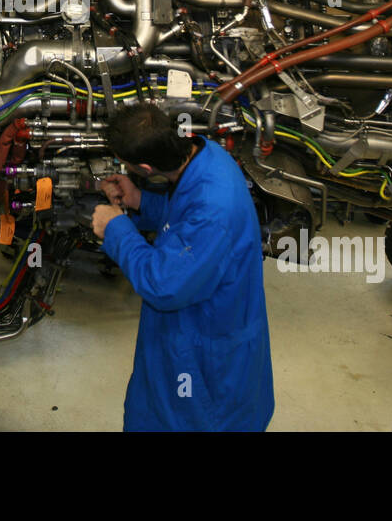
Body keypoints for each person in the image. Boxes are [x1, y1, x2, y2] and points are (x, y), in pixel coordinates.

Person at [92, 103, 274, 431]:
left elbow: (163, 285)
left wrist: (116, 228)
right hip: (189, 334)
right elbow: (186, 213)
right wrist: (141, 201)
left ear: (145, 167)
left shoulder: (214, 209)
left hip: (205, 360)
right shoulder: (204, 154)